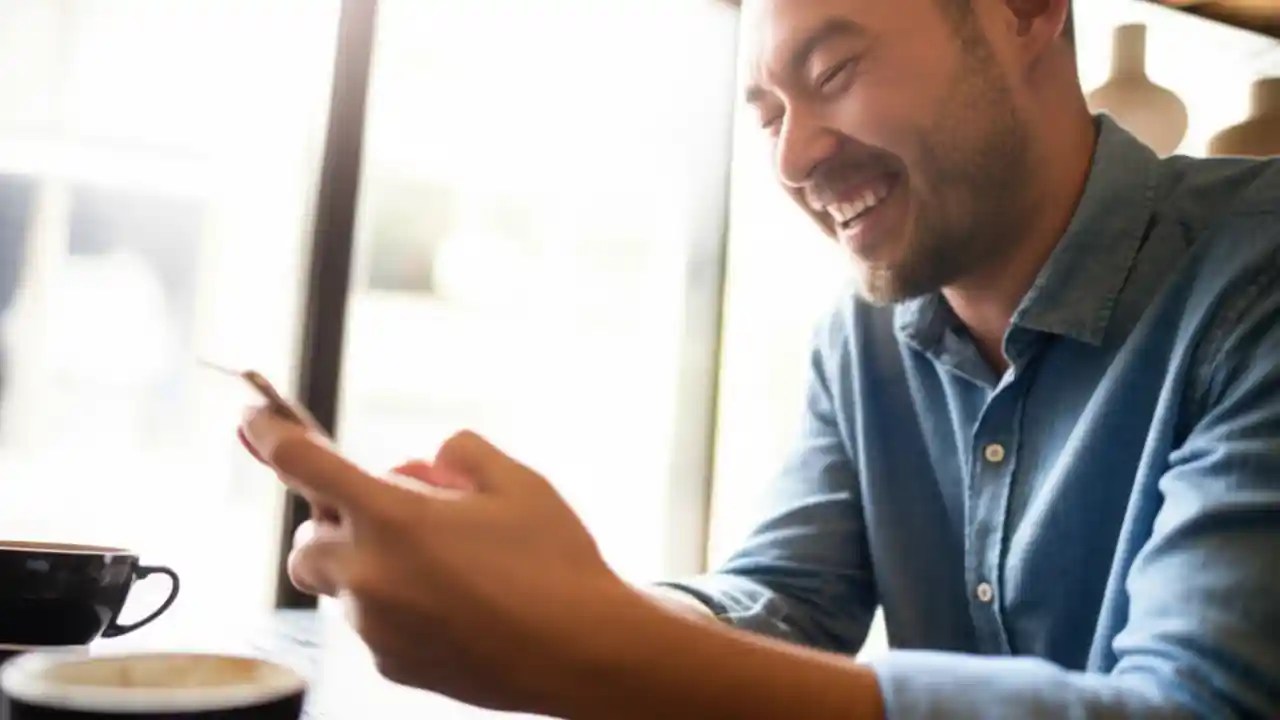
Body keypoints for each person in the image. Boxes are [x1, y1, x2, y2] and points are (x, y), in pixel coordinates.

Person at [240, 0, 1280, 716]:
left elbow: (1194, 708)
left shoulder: (1254, 271)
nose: (790, 158)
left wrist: (584, 642)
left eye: (831, 72)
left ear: (1022, 11)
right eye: (769, 114)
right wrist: (534, 592)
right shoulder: (866, 336)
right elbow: (782, 603)